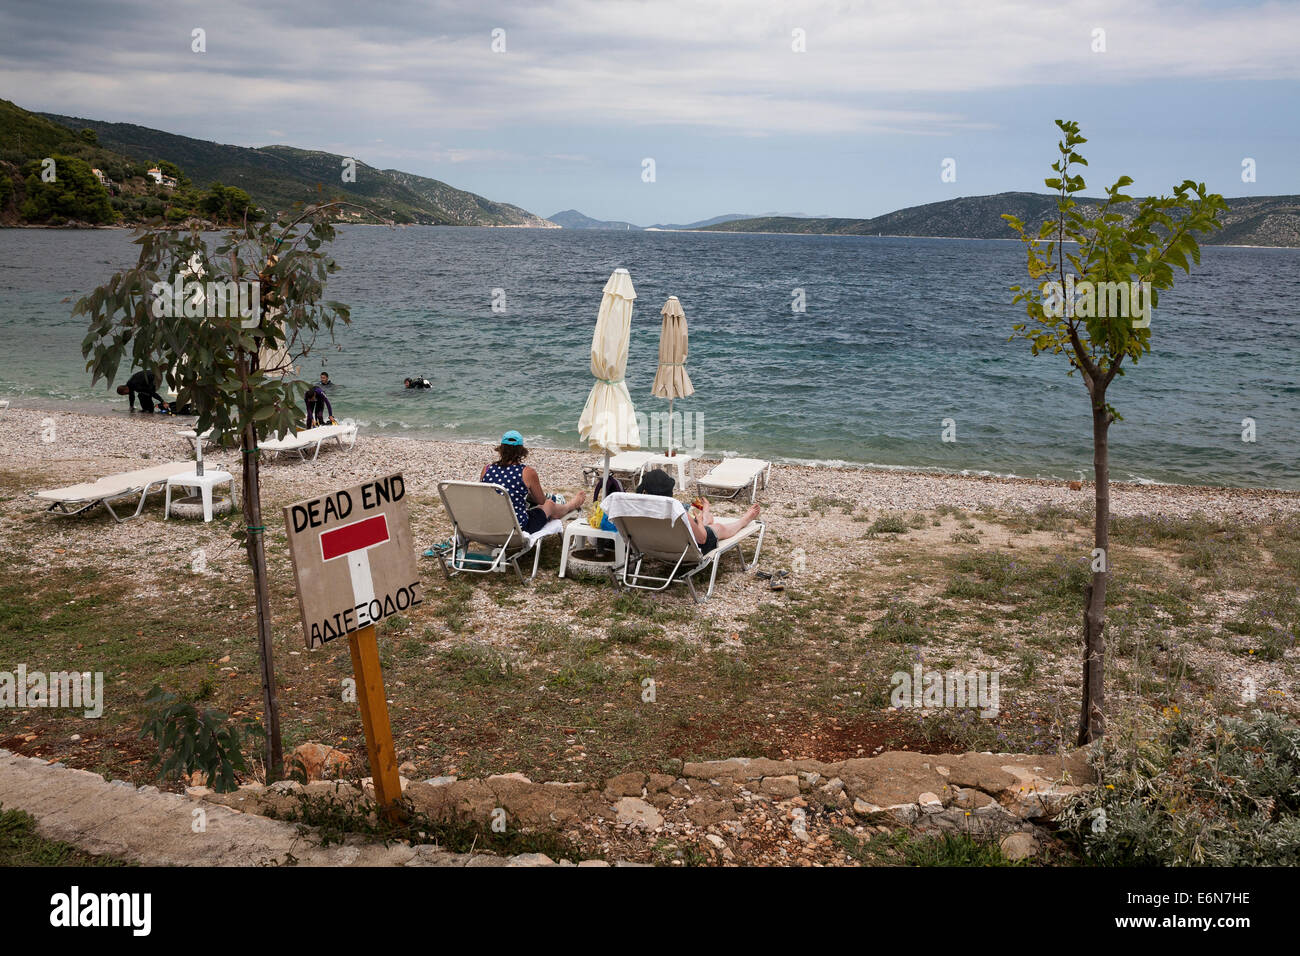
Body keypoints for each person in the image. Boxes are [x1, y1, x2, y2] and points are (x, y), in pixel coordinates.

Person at [480, 430, 585, 533]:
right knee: (549, 504)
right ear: (521, 451)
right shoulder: (526, 472)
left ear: (501, 449)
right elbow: (541, 501)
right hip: (517, 529)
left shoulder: (487, 469)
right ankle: (571, 505)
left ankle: (562, 503)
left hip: (490, 526)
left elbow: (484, 497)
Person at [636, 469, 760, 555]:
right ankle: (743, 521)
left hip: (656, 547)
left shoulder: (637, 509)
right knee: (718, 527)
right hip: (685, 549)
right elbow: (702, 539)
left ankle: (706, 514)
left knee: (706, 519)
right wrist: (700, 522)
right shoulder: (677, 510)